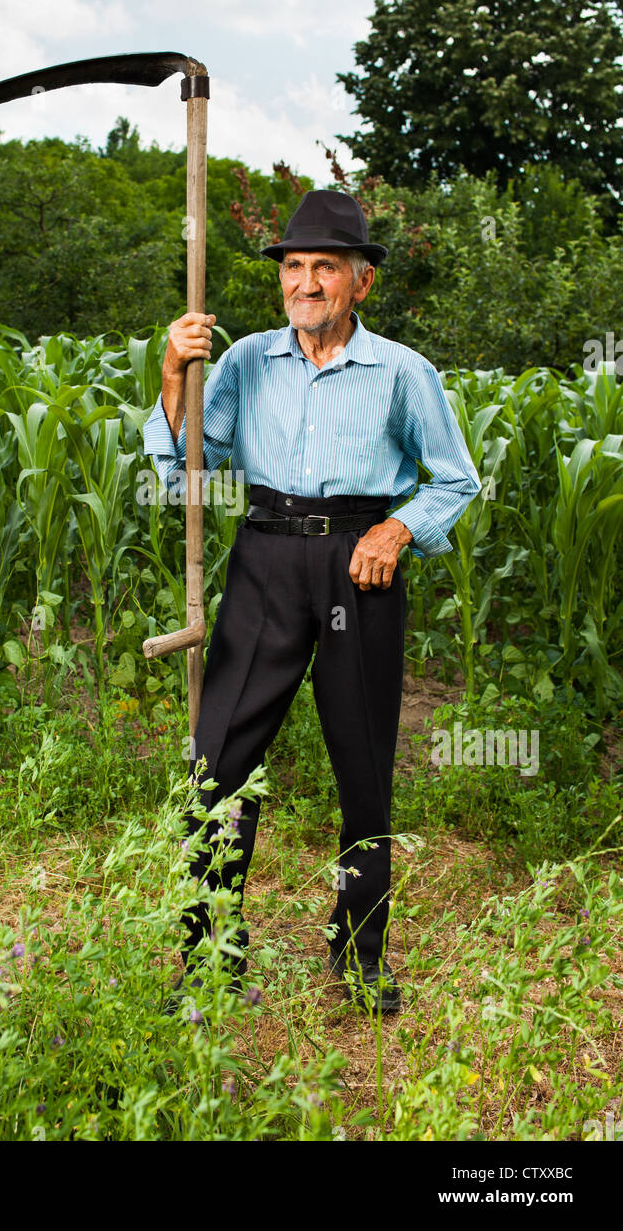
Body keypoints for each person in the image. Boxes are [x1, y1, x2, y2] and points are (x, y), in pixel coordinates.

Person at [143, 189, 481, 1014]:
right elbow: (186, 465)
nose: (306, 282)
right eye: (293, 267)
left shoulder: (402, 372)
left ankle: (359, 953)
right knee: (217, 763)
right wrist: (171, 379)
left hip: (359, 567)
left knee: (362, 769)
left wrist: (397, 532)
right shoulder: (247, 360)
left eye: (325, 267)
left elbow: (457, 478)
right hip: (264, 558)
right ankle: (211, 951)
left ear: (361, 282)